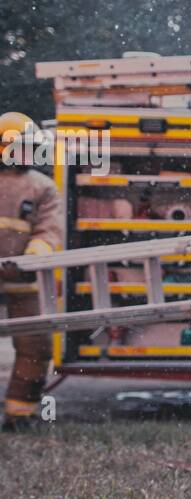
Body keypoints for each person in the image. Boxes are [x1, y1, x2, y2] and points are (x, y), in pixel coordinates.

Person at [0, 112, 63, 432]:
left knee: (36, 345)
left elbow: (50, 231)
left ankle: (19, 414)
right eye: (23, 146)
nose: (29, 153)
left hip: (24, 277)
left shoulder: (43, 187)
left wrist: (31, 258)